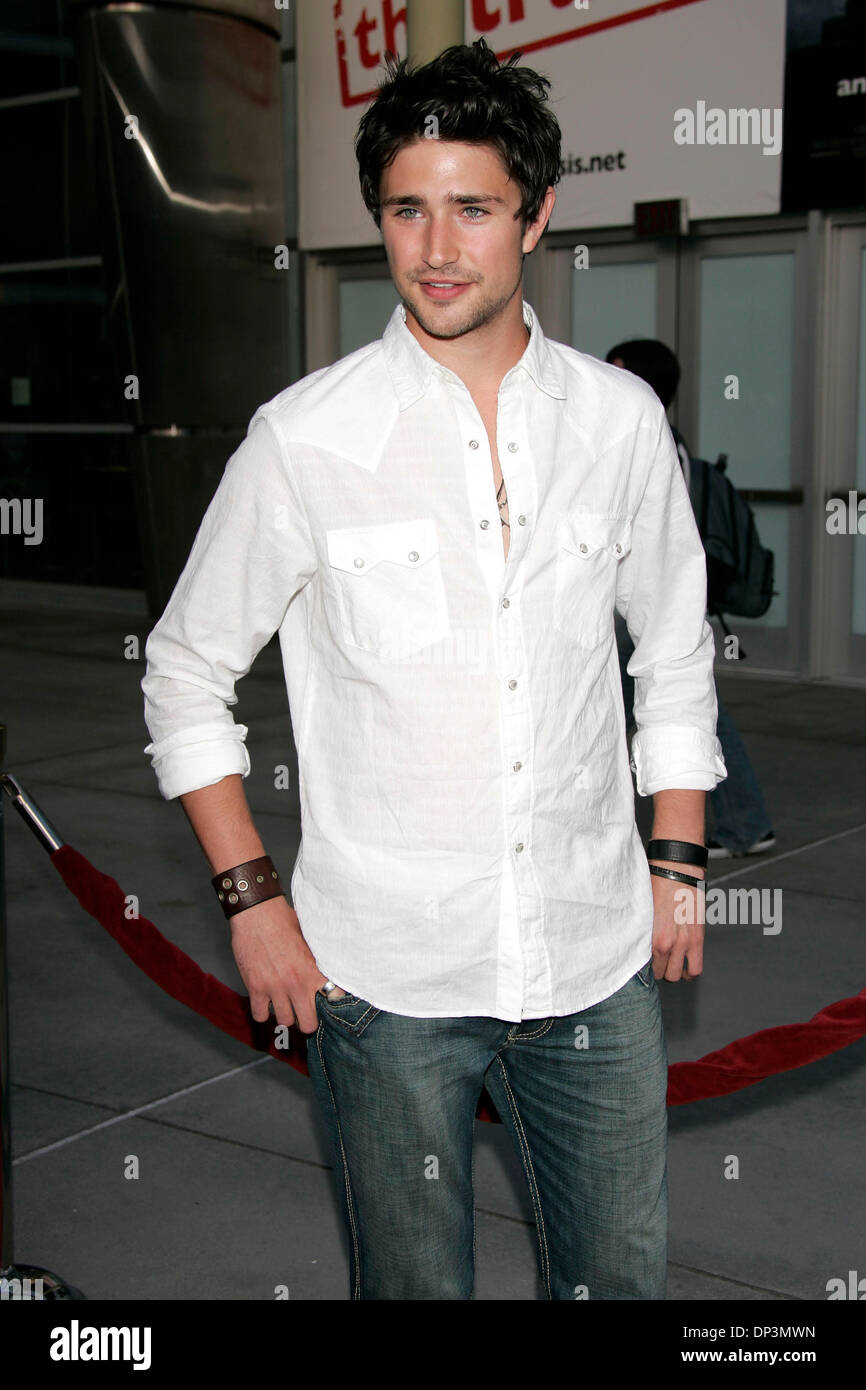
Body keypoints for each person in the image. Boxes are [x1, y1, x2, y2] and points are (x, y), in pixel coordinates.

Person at [141, 40, 726, 1301]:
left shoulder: (619, 424)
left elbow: (673, 650)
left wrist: (674, 860)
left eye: (473, 206)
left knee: (620, 1286)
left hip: (593, 961)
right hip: (384, 983)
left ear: (537, 214)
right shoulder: (306, 440)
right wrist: (250, 899)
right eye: (408, 208)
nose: (438, 246)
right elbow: (184, 672)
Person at [605, 339, 775, 860]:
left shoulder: (648, 442)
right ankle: (745, 822)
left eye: (616, 372)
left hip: (654, 603)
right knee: (673, 708)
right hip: (651, 600)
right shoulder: (654, 438)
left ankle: (744, 823)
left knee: (684, 710)